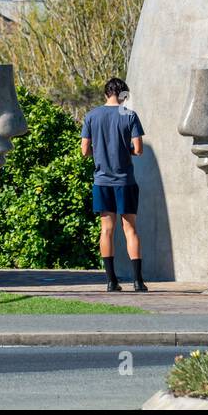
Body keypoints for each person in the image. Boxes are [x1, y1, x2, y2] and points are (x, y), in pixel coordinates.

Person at [80, 77, 146, 292]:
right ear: (124, 95)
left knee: (106, 230)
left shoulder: (91, 116)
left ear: (105, 93)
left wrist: (100, 152)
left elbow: (84, 150)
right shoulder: (129, 116)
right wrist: (122, 150)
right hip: (125, 181)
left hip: (102, 181)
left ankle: (111, 282)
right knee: (130, 230)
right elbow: (138, 149)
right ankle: (138, 282)